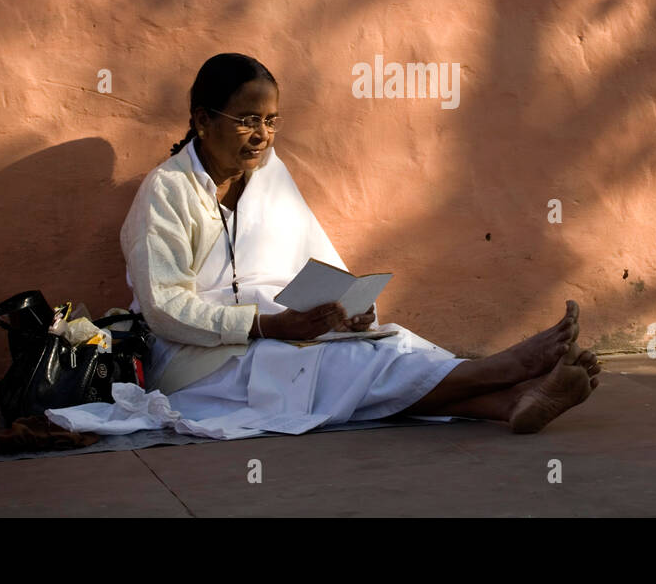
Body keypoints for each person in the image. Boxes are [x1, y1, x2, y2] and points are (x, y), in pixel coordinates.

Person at [48, 53, 600, 440]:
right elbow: (167, 307)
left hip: (287, 328)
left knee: (387, 346)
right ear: (201, 120)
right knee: (323, 370)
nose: (261, 135)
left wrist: (351, 309)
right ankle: (503, 371)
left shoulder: (272, 173)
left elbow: (322, 263)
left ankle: (510, 404)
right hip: (198, 356)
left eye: (270, 121)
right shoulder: (166, 190)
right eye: (245, 120)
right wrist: (265, 327)